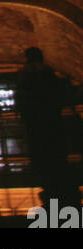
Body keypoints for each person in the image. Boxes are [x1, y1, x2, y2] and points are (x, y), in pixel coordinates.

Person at [17, 47, 76, 203]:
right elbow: (58, 96)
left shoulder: (26, 75)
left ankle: (51, 186)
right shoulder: (47, 74)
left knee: (43, 157)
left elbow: (23, 100)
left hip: (36, 124)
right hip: (51, 122)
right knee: (55, 156)